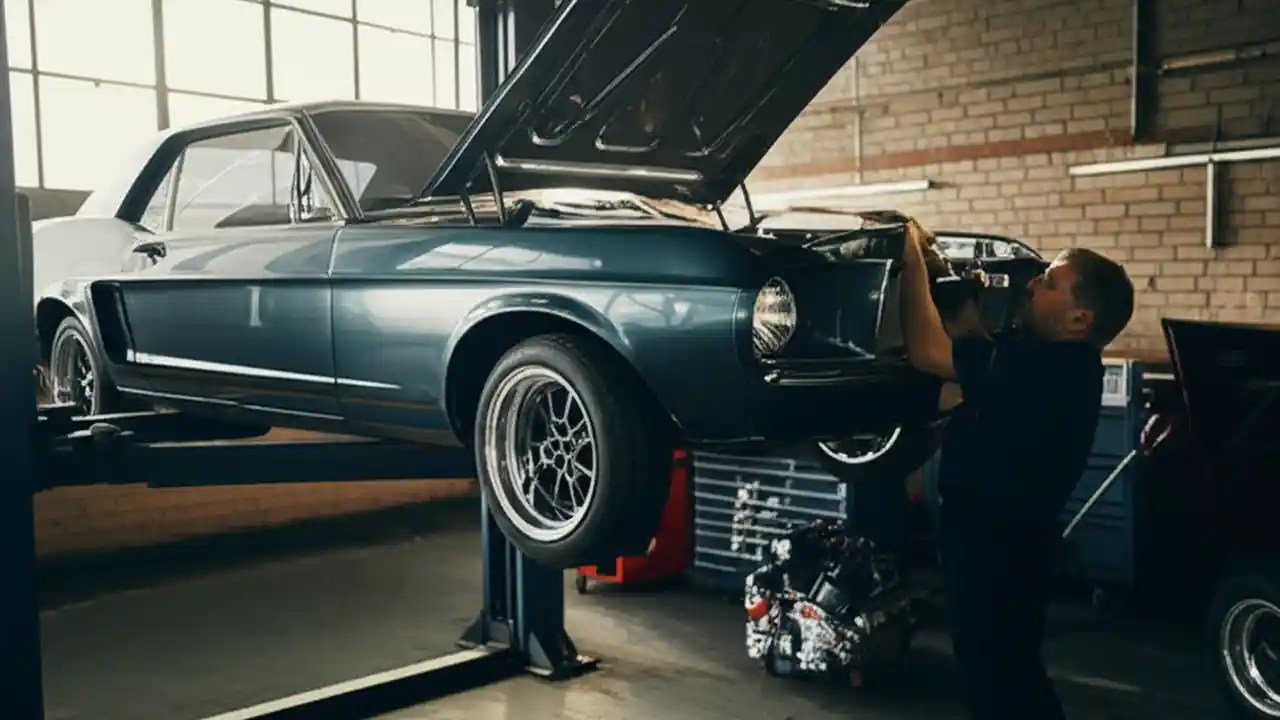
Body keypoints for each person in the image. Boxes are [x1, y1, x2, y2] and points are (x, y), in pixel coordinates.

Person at [896, 218, 1135, 719]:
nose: (1032, 284)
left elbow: (929, 351)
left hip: (995, 547)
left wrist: (908, 256)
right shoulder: (1054, 363)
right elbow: (968, 348)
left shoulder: (1049, 371)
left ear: (1079, 320)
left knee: (996, 681)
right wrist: (942, 275)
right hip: (1009, 543)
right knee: (1009, 672)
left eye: (1049, 282)